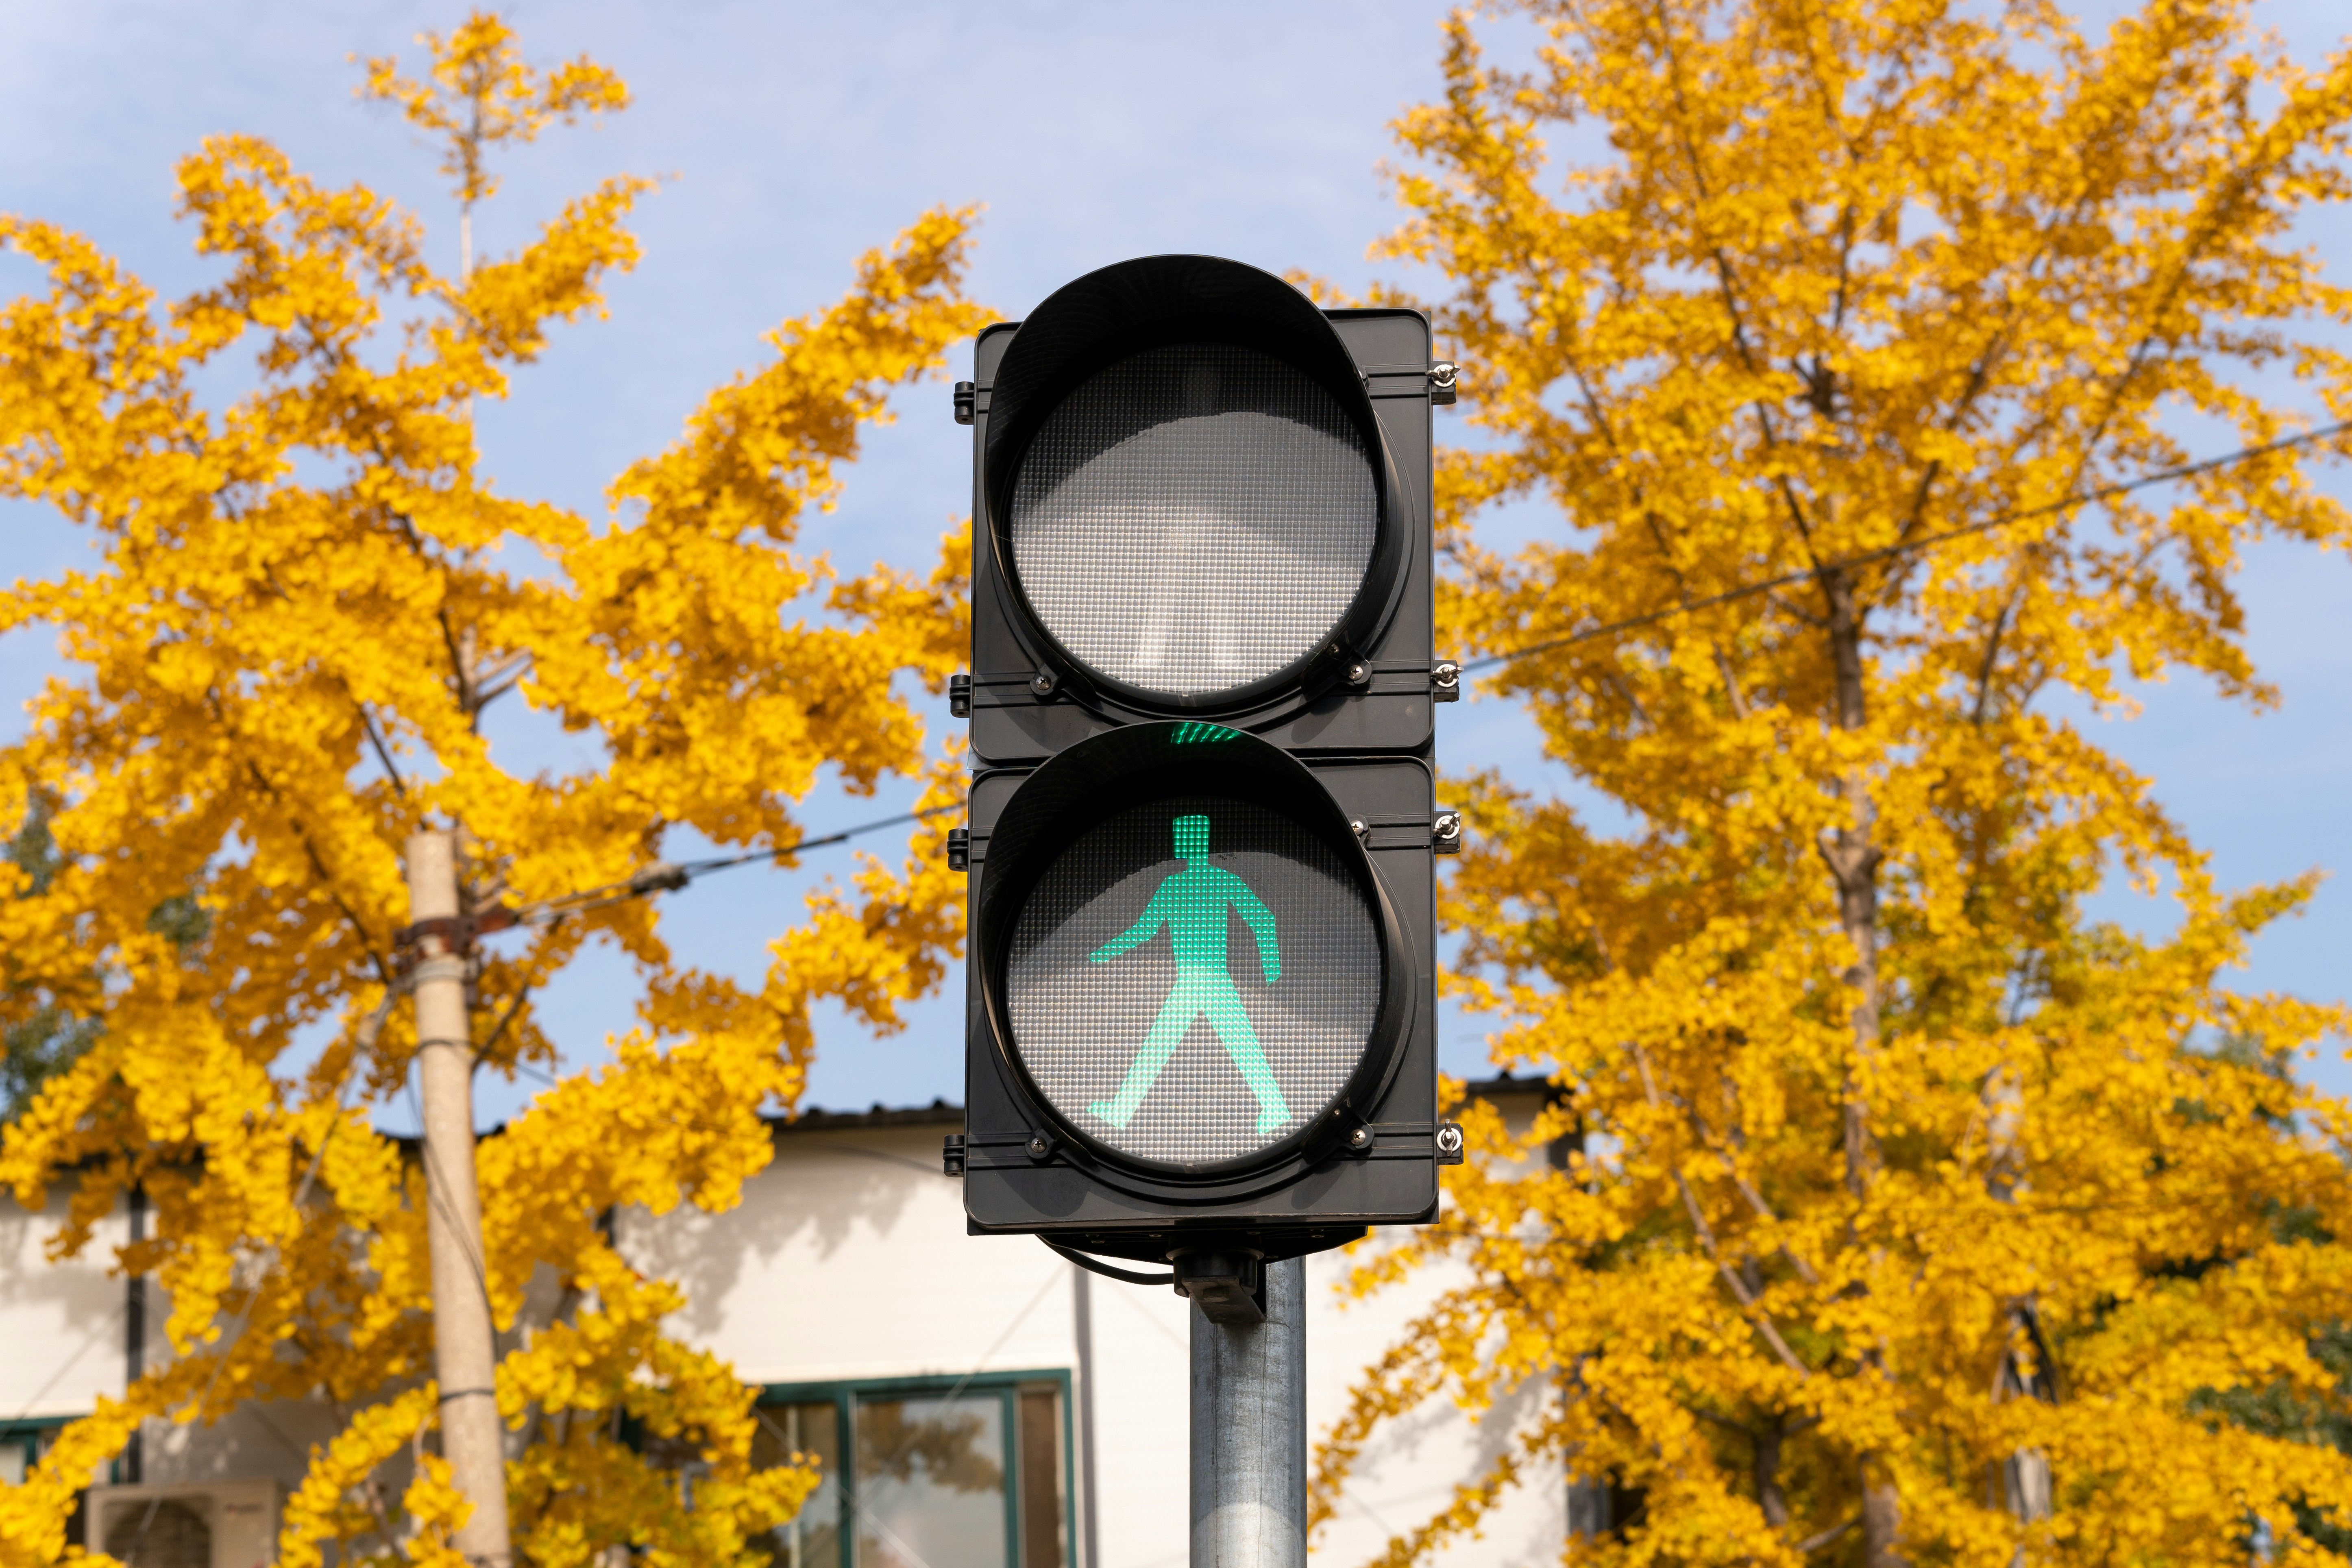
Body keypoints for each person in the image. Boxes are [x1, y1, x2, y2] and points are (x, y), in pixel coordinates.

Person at [1087, 813, 1292, 1136]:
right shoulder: (1217, 880)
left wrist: (1105, 953)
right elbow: (1263, 920)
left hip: (1200, 979)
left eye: (1182, 836)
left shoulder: (1177, 884)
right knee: (1236, 1045)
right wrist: (1273, 969)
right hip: (1209, 978)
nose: (1178, 842)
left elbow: (1143, 931)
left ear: (1191, 841)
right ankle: (1276, 1107)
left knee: (1164, 1045)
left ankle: (1120, 1111)